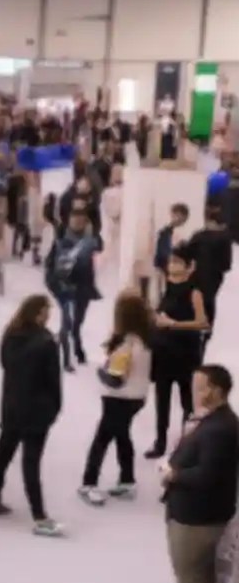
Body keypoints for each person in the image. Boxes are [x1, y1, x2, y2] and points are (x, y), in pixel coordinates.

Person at [160, 364, 239, 583]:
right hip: (190, 510)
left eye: (201, 387)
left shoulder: (221, 429)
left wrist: (174, 475)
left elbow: (208, 476)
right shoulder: (213, 421)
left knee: (193, 576)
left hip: (198, 517)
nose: (195, 392)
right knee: (193, 576)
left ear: (217, 390)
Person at [0, 295, 64, 537]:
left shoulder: (10, 336)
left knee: (3, 454)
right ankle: (40, 516)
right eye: (46, 311)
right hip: (37, 412)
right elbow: (53, 382)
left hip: (11, 407)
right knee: (31, 463)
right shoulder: (46, 342)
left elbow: (5, 365)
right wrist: (54, 409)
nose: (48, 316)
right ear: (38, 313)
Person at [78, 292, 154, 506]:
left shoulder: (126, 344)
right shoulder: (146, 340)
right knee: (122, 435)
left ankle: (89, 482)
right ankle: (127, 480)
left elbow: (115, 375)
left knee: (101, 440)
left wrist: (101, 369)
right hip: (138, 396)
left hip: (118, 397)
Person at [147, 246, 210, 459]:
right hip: (163, 352)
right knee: (161, 399)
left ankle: (186, 444)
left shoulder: (194, 292)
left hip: (185, 352)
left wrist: (173, 324)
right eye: (171, 261)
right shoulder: (166, 287)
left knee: (187, 401)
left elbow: (203, 323)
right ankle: (160, 442)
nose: (172, 266)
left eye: (177, 262)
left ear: (189, 267)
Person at [46, 206, 101, 372]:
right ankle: (67, 359)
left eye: (81, 220)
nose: (77, 223)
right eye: (74, 219)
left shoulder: (90, 241)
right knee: (67, 323)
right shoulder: (60, 240)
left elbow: (93, 263)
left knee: (77, 323)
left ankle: (76, 346)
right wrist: (55, 285)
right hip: (65, 288)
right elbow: (50, 265)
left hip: (83, 289)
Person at [186, 206, 232, 348]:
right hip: (214, 276)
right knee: (210, 301)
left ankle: (193, 326)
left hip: (197, 274)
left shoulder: (199, 236)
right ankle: (206, 330)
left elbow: (187, 254)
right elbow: (226, 264)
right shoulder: (224, 239)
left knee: (195, 299)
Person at [154, 204, 191, 293]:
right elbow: (161, 251)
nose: (176, 218)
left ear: (185, 217)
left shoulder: (187, 234)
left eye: (179, 216)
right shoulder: (164, 232)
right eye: (174, 215)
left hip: (181, 269)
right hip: (166, 267)